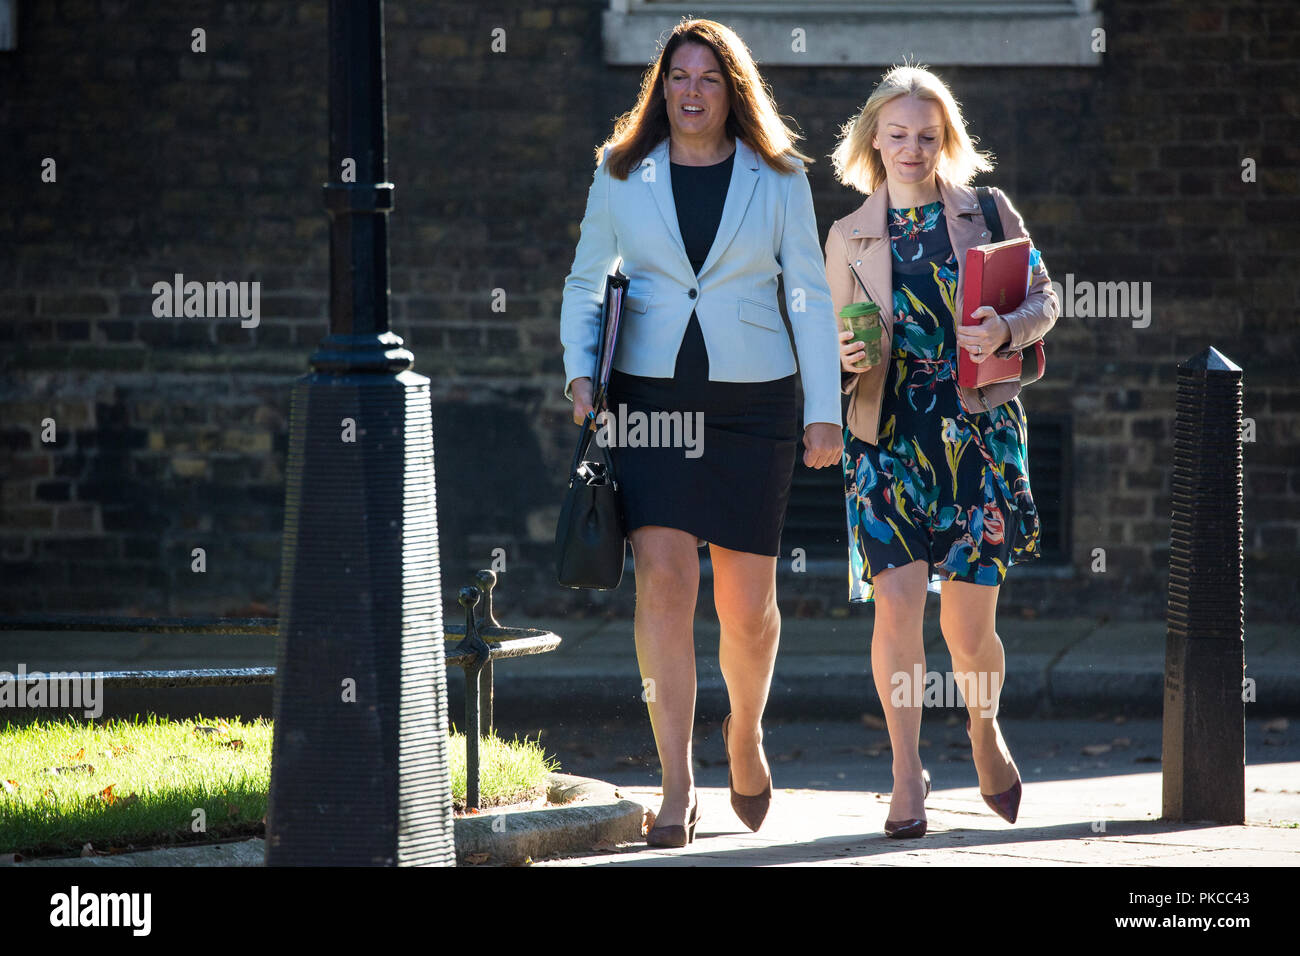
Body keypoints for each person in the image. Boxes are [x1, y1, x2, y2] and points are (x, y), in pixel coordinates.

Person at [560, 19, 842, 847]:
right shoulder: (619, 174)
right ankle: (676, 784)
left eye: (708, 79)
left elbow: (810, 297)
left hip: (755, 402)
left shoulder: (780, 176)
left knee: (747, 608)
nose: (690, 91)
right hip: (649, 396)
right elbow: (587, 278)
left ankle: (744, 731)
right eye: (678, 77)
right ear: (661, 88)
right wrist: (581, 367)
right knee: (664, 580)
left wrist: (823, 408)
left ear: (732, 91)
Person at [824, 65, 1060, 838]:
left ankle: (984, 730)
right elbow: (829, 339)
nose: (912, 148)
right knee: (894, 604)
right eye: (897, 135)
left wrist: (1003, 331)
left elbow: (1044, 299)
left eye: (927, 136)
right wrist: (845, 359)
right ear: (873, 140)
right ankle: (904, 773)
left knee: (966, 627)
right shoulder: (849, 234)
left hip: (975, 436)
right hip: (884, 438)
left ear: (945, 139)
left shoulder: (986, 212)